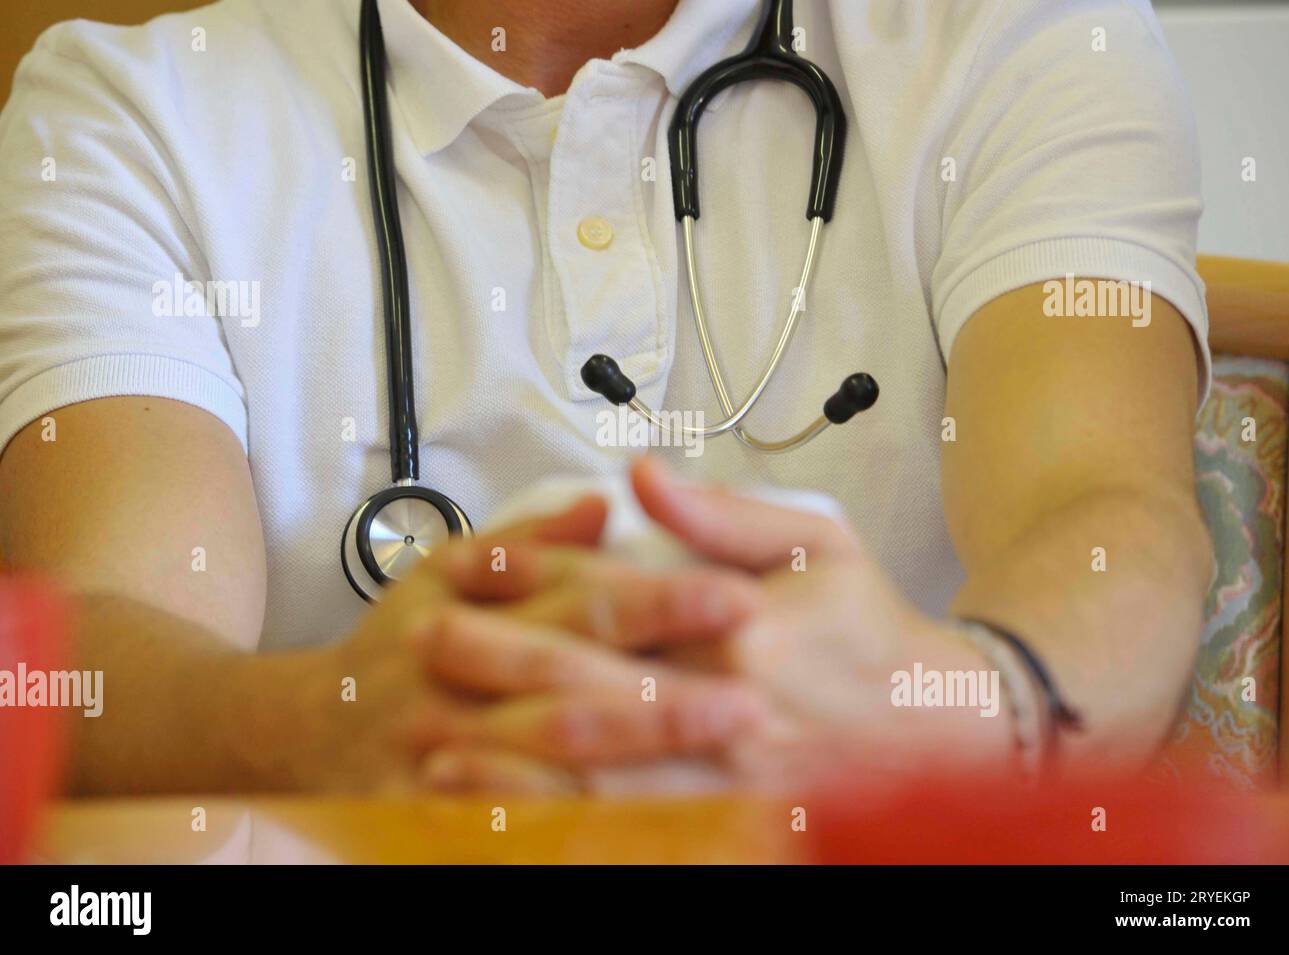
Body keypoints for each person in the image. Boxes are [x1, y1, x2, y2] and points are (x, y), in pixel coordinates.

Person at [0, 0, 1210, 795]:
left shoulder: (1018, 37)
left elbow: (1106, 514)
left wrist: (938, 710)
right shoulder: (131, 108)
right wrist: (338, 716)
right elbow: (101, 642)